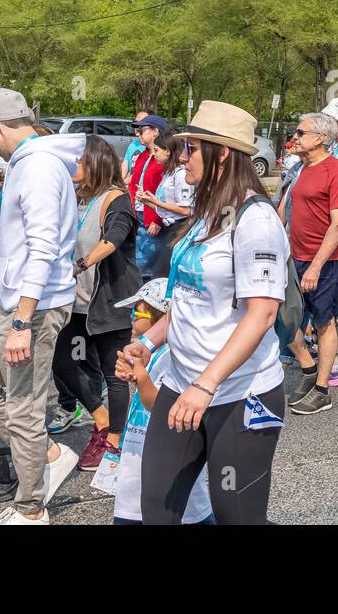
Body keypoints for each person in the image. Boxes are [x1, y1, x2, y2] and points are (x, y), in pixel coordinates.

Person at [125, 100, 288, 524]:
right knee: (156, 511)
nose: (182, 157)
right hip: (182, 385)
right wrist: (146, 342)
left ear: (221, 154)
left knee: (237, 516)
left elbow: (263, 314)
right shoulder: (206, 212)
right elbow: (185, 300)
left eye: (191, 148)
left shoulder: (256, 221)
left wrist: (206, 385)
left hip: (238, 394)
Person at [0, 89, 82, 525]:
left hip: (34, 309)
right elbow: (25, 244)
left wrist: (23, 320)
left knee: (22, 409)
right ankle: (47, 452)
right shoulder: (30, 164)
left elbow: (45, 246)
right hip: (16, 301)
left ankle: (31, 510)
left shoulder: (40, 168)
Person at [53, 135, 139, 472]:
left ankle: (115, 440)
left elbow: (114, 239)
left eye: (78, 161)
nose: (73, 166)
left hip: (109, 301)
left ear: (96, 163)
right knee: (62, 360)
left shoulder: (117, 199)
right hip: (75, 301)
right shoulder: (76, 198)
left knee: (114, 374)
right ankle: (101, 418)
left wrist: (81, 265)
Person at [111, 280, 213, 525]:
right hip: (137, 462)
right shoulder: (151, 353)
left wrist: (141, 378)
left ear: (161, 316)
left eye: (138, 311)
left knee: (185, 512)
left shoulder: (173, 356)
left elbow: (161, 407)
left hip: (170, 458)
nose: (132, 318)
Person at [282, 113, 338, 415]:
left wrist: (315, 266)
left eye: (300, 132)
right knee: (283, 320)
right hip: (295, 258)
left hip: (325, 262)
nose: (294, 137)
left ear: (320, 138)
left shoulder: (336, 171)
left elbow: (337, 226)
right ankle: (309, 368)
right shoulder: (301, 168)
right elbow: (287, 207)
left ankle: (322, 389)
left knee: (323, 323)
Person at [136, 133, 194, 274]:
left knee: (161, 272)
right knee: (159, 270)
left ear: (167, 151)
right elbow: (165, 209)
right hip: (169, 227)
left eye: (156, 150)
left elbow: (186, 210)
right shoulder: (168, 173)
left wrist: (157, 202)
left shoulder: (180, 175)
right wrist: (147, 201)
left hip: (179, 228)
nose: (153, 154)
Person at [127, 114, 168, 280]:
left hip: (152, 216)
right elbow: (133, 182)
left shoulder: (164, 159)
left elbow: (166, 193)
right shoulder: (143, 155)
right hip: (137, 212)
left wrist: (158, 219)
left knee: (144, 262)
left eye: (142, 130)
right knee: (136, 257)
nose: (138, 134)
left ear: (156, 132)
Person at [121, 111, 150, 181]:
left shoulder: (154, 148)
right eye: (136, 123)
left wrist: (124, 182)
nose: (137, 127)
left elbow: (141, 174)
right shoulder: (132, 145)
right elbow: (124, 170)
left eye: (141, 124)